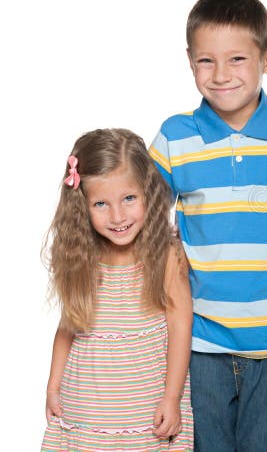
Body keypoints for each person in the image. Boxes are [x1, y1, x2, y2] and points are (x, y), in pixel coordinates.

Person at [149, 0, 267, 451]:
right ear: (190, 61)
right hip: (200, 344)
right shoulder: (175, 136)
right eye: (206, 61)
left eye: (237, 59)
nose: (221, 75)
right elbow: (139, 219)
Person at [41, 128, 193, 451]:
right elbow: (67, 328)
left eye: (128, 198)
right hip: (86, 414)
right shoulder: (84, 258)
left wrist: (172, 396)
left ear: (148, 194)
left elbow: (181, 326)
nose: (118, 216)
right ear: (81, 205)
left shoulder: (165, 255)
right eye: (100, 204)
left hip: (145, 416)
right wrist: (53, 386)